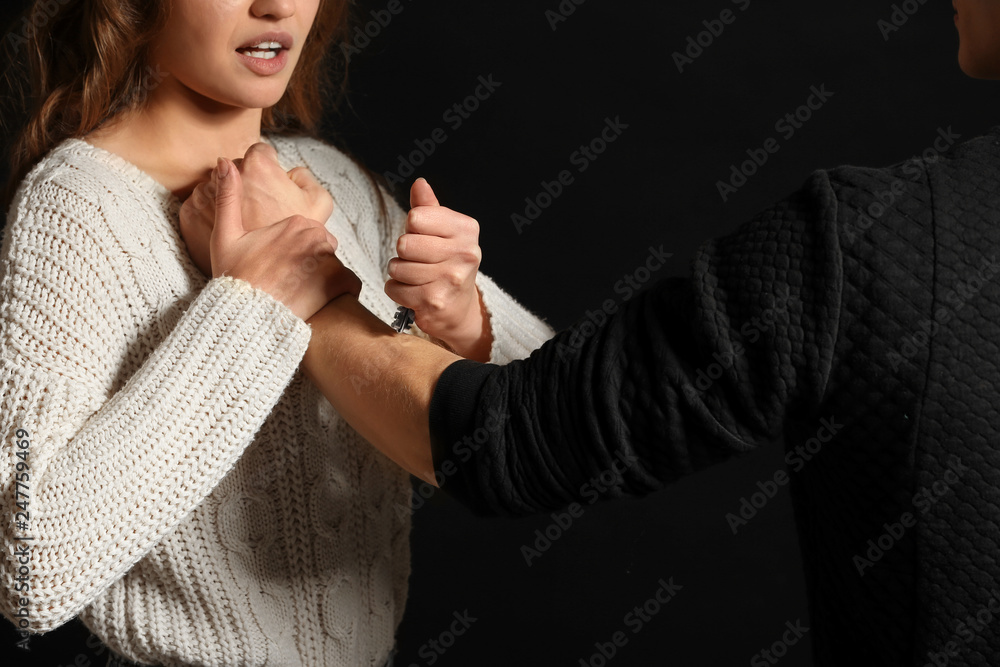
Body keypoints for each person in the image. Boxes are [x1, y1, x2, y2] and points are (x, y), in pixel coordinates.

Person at [179, 1, 1000, 664]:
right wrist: (458, 327)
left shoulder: (870, 246)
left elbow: (512, 437)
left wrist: (311, 287)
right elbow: (539, 402)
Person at [0, 1, 553, 666]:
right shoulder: (76, 207)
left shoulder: (331, 181)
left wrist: (465, 323)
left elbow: (562, 437)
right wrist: (254, 303)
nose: (278, 5)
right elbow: (25, 569)